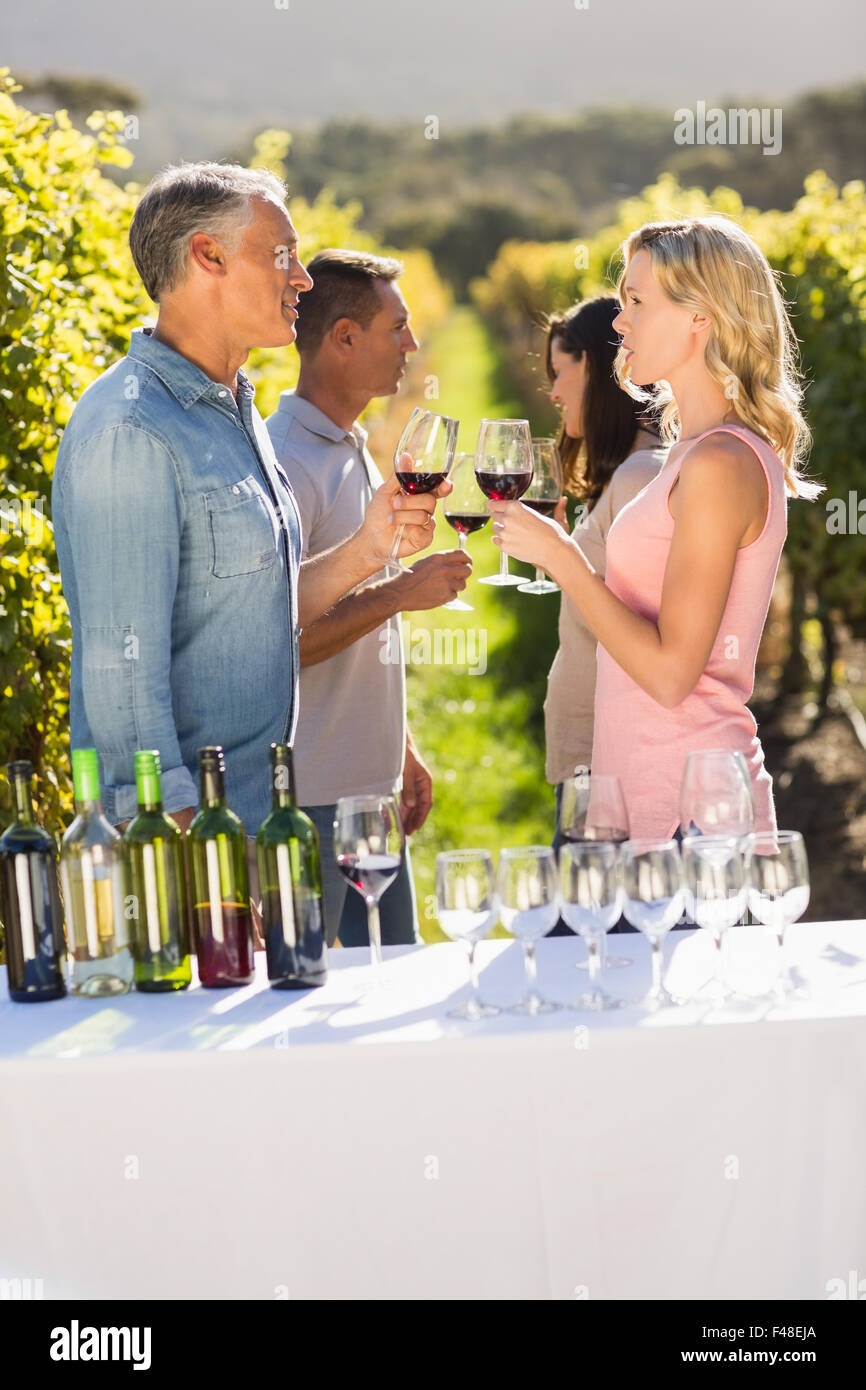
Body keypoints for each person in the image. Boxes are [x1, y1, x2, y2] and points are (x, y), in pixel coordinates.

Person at [51, 164, 449, 935]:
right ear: (208, 256)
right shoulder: (131, 431)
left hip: (259, 833)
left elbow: (255, 613)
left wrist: (369, 549)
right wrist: (210, 879)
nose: (303, 278)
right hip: (190, 866)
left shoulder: (230, 412)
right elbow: (123, 683)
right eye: (282, 256)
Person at [489, 215, 823, 843]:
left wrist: (563, 560)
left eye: (637, 302)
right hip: (650, 805)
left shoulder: (721, 463)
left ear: (700, 316)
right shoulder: (691, 452)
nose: (620, 323)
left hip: (692, 821)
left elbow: (672, 677)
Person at [266, 249, 470, 947]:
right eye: (397, 328)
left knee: (387, 981)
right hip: (315, 798)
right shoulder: (288, 461)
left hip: (367, 787)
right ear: (345, 338)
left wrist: (398, 748)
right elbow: (277, 644)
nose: (412, 345)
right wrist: (402, 593)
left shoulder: (348, 443)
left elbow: (353, 610)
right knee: (313, 996)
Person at [543, 296, 665, 857]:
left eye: (559, 371)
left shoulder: (641, 477)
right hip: (592, 760)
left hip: (610, 766)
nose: (553, 392)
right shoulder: (625, 475)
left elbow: (645, 634)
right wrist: (561, 554)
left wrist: (560, 556)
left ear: (592, 366)